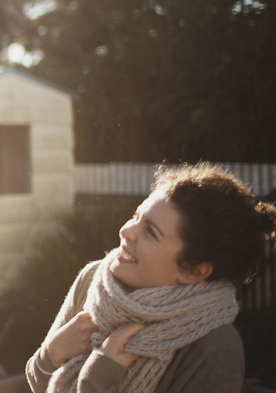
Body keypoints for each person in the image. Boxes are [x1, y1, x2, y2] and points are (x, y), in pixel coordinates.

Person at [26, 163, 276, 393]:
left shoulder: (214, 347)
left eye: (150, 232)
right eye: (136, 216)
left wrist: (98, 380)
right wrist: (51, 354)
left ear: (194, 271)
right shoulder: (93, 280)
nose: (125, 230)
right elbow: (38, 382)